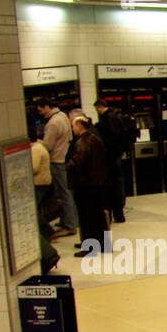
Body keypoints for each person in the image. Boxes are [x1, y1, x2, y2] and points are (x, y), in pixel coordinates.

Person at [67, 116, 110, 259]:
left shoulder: (82, 143)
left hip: (85, 185)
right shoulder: (95, 138)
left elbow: (77, 163)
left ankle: (89, 246)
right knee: (98, 214)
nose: (73, 130)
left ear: (79, 126)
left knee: (86, 216)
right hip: (98, 183)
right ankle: (103, 243)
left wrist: (66, 167)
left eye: (73, 127)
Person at [35, 98, 77, 238]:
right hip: (64, 157)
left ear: (47, 106)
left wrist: (36, 143)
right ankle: (69, 221)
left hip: (56, 160)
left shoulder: (52, 123)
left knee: (63, 193)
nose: (40, 113)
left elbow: (48, 145)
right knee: (67, 192)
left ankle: (69, 225)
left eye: (40, 109)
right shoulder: (63, 116)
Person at [93, 99, 129, 223]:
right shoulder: (117, 117)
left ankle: (116, 213)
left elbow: (110, 137)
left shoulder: (107, 119)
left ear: (100, 107)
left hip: (111, 156)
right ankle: (119, 213)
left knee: (113, 185)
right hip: (118, 153)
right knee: (119, 183)